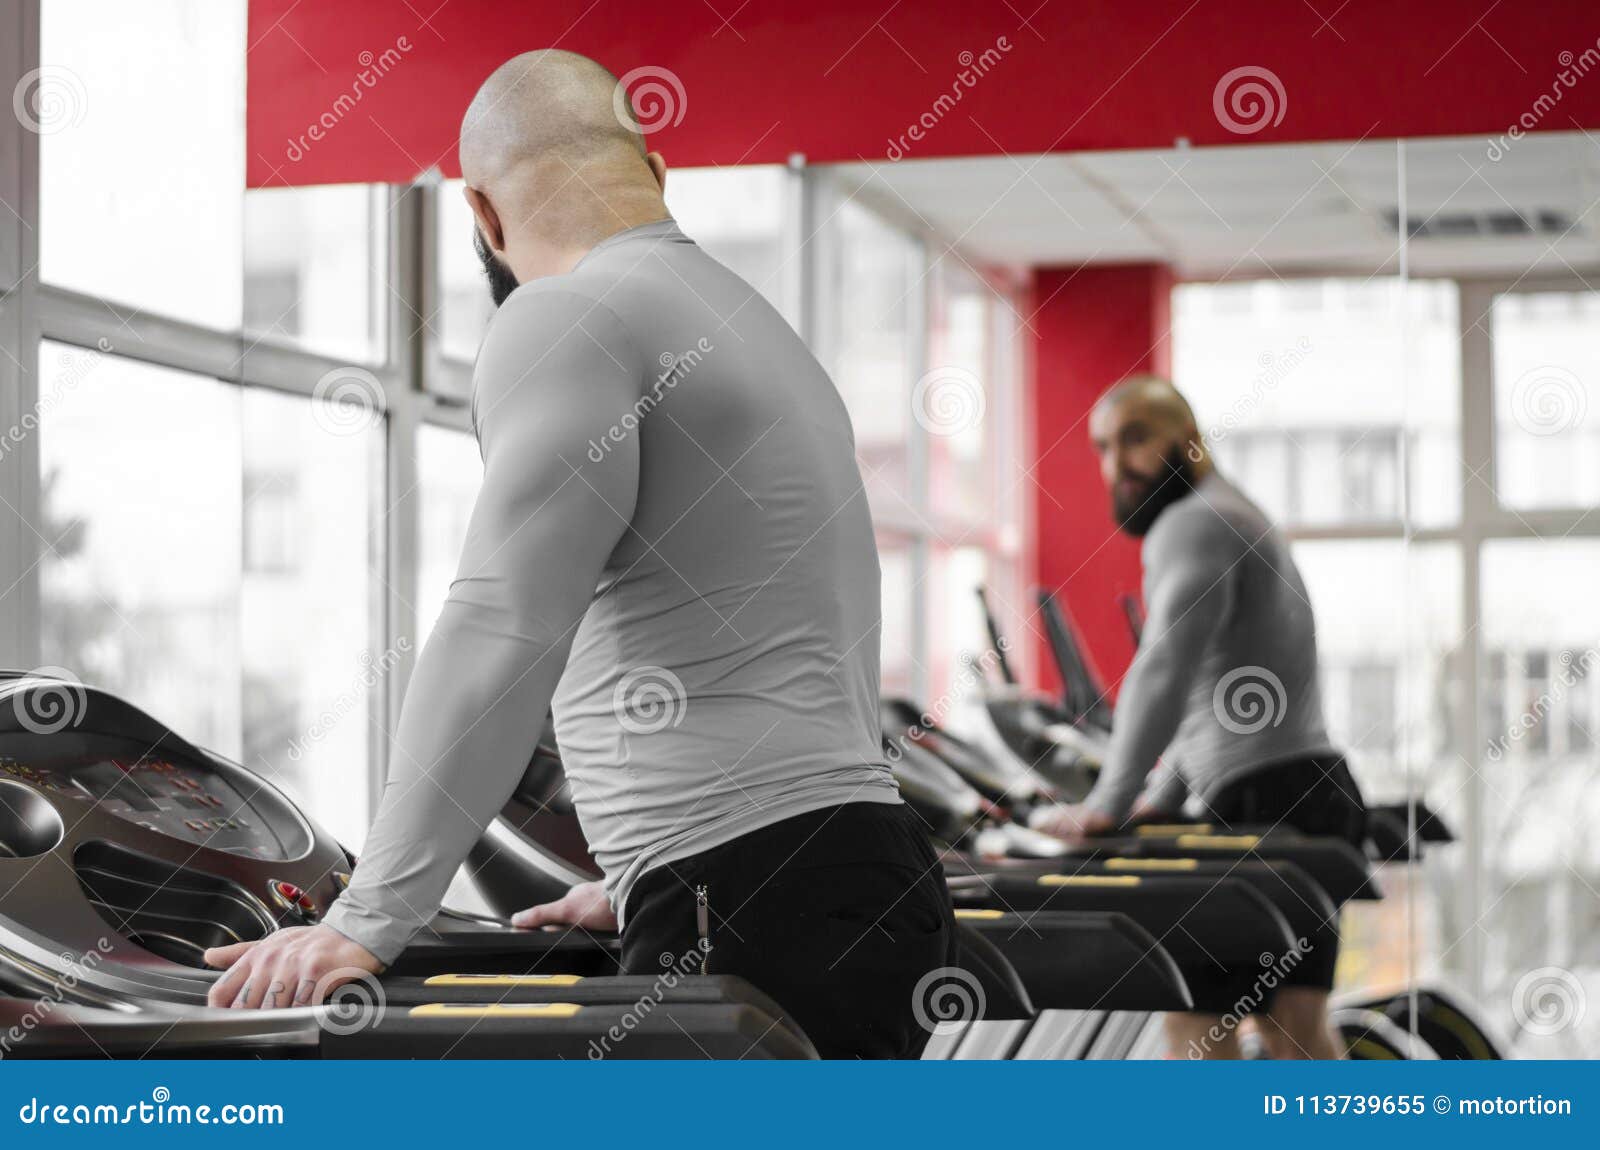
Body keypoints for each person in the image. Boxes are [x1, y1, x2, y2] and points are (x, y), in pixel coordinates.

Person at [204, 49, 954, 1059]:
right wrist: (654, 875)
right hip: (861, 871)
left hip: (753, 899)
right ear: (652, 170)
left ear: (481, 211)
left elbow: (503, 620)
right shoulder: (755, 328)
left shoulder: (561, 313)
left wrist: (365, 914)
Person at [1031, 375, 1364, 1060]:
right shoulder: (1232, 514)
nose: (1114, 465)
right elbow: (1211, 690)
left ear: (1186, 440)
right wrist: (1160, 797)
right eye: (1101, 447)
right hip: (1309, 790)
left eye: (1135, 439)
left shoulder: (1193, 523)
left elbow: (1167, 663)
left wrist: (1107, 802)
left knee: (1194, 1028)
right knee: (1292, 1028)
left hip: (1262, 798)